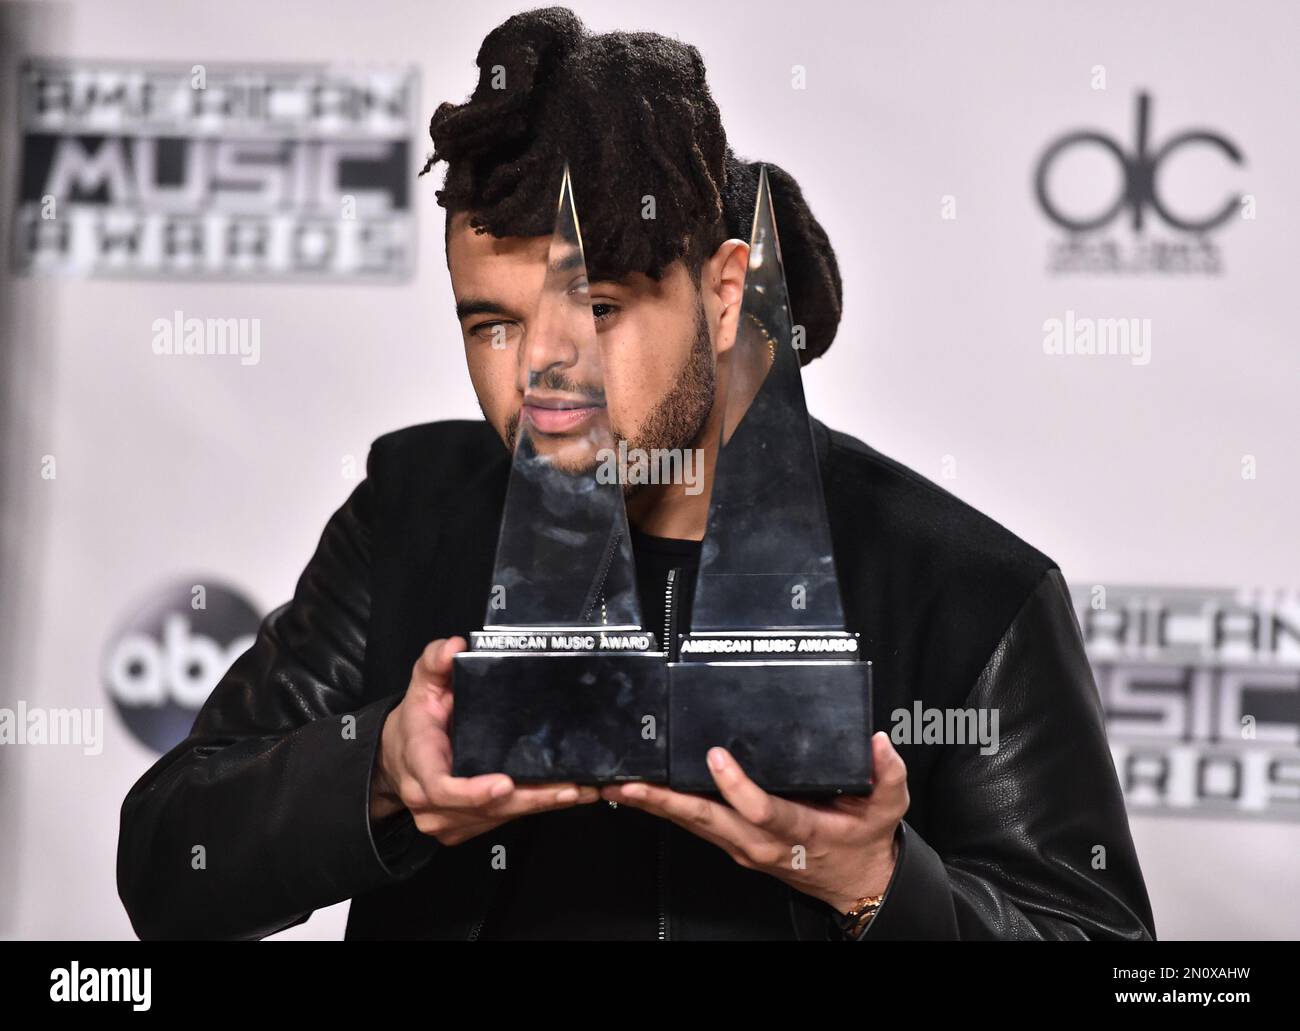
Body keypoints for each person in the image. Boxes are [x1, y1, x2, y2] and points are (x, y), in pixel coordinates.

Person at [116, 6, 1155, 941]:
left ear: (721, 288)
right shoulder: (412, 511)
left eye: (599, 308)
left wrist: (876, 881)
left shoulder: (961, 585)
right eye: (493, 323)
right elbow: (169, 864)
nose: (542, 371)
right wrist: (378, 773)